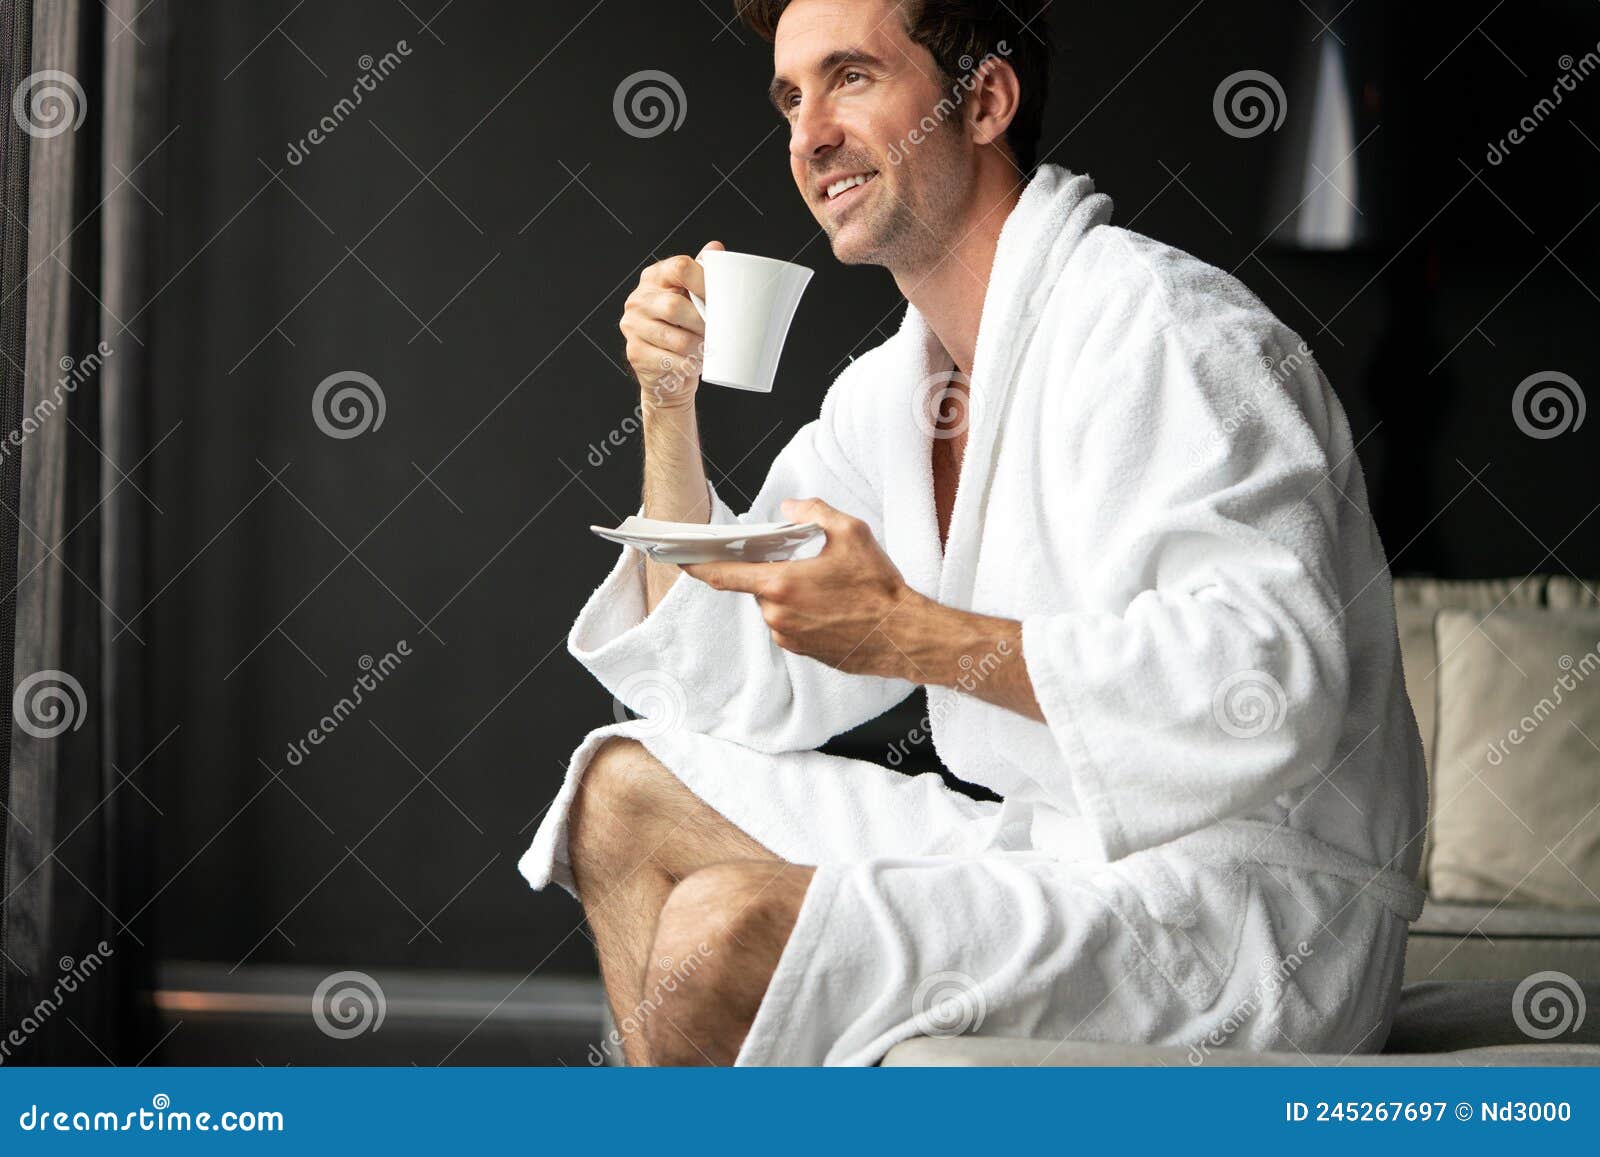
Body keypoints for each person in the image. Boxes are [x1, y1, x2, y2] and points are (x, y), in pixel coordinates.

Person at [518, 0, 1428, 1067]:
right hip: (1056, 855)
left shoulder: (1166, 331)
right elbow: (716, 681)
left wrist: (912, 632)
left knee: (724, 930)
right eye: (790, 96)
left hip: (1252, 918)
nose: (807, 133)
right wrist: (668, 410)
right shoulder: (890, 397)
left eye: (850, 78)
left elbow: (1267, 685)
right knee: (620, 790)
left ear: (983, 100)